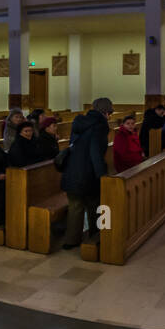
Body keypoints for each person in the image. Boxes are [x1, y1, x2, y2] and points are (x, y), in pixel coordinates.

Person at [60, 98, 112, 252]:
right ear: (106, 112)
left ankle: (71, 240)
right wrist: (102, 176)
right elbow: (95, 152)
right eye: (110, 113)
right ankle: (97, 237)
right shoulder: (100, 126)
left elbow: (74, 146)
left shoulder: (79, 121)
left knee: (75, 206)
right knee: (95, 204)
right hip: (88, 172)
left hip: (72, 171)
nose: (110, 117)